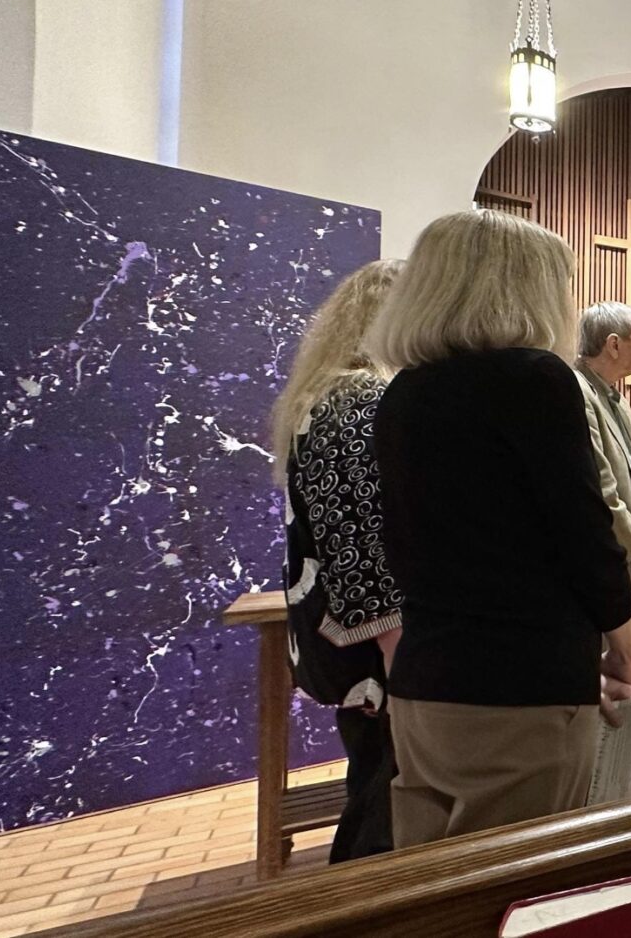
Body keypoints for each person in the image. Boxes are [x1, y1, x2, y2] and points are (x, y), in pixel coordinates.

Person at [368, 210, 631, 846]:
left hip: (424, 680)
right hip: (519, 685)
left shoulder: (405, 391)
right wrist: (624, 647)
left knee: (433, 888)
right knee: (515, 889)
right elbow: (582, 530)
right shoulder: (535, 380)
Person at [269, 258, 404, 861]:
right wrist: (398, 644)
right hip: (372, 642)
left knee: (376, 780)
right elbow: (363, 540)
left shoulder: (330, 394)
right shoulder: (359, 400)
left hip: (346, 632)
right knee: (385, 797)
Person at [572, 301, 631, 631]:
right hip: (605, 558)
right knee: (604, 672)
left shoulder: (618, 398)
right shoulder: (578, 391)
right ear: (614, 344)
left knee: (623, 672)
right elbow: (600, 487)